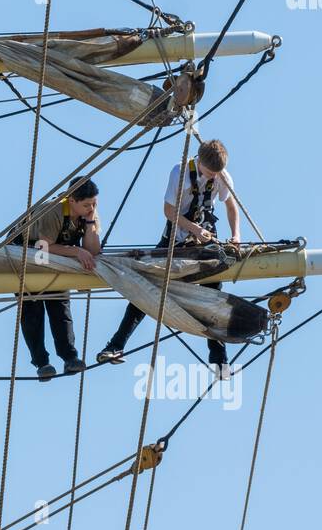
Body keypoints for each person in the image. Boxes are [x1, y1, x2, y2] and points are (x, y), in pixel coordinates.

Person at [96, 139, 240, 378]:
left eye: (216, 173)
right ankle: (116, 345)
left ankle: (219, 362)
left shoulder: (222, 176)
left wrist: (236, 236)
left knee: (213, 298)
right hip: (176, 238)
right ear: (199, 161)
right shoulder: (181, 171)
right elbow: (169, 211)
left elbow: (231, 206)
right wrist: (193, 229)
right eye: (209, 172)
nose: (213, 176)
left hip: (205, 243)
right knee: (148, 287)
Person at [10, 179, 101, 381]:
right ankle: (41, 362)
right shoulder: (54, 210)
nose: (91, 208)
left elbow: (94, 250)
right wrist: (76, 251)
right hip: (26, 252)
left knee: (60, 306)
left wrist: (89, 224)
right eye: (86, 205)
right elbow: (44, 247)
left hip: (56, 255)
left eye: (94, 203)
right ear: (72, 200)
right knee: (32, 309)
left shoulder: (88, 214)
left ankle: (70, 357)